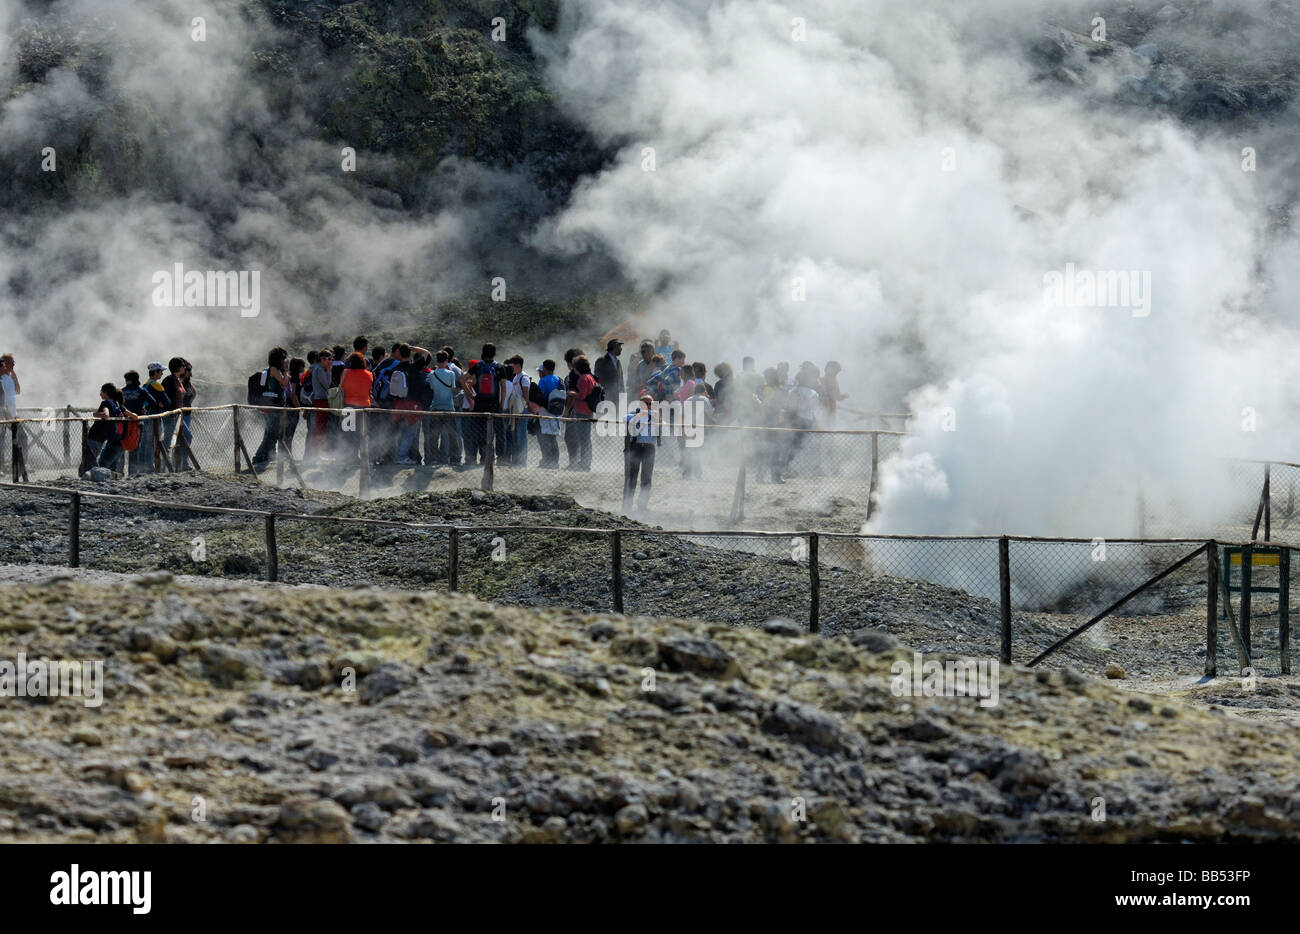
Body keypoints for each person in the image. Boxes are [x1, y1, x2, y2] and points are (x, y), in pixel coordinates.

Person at [467, 343, 507, 464]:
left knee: (481, 432)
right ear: (494, 353)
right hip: (494, 405)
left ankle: (484, 457)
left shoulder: (477, 366)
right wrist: (502, 404)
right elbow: (504, 388)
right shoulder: (500, 367)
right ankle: (501, 458)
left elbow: (462, 380)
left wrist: (471, 394)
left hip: (479, 405)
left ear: (483, 353)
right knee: (499, 432)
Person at [251, 348, 288, 465]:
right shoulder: (274, 369)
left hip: (272, 404)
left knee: (271, 431)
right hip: (271, 406)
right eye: (284, 358)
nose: (285, 360)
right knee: (271, 432)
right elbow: (284, 383)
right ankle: (259, 456)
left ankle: (268, 455)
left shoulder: (274, 370)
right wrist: (286, 370)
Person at [623, 394, 657, 514]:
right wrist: (639, 416)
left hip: (649, 449)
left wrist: (655, 417)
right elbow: (625, 419)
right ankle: (627, 506)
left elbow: (664, 427)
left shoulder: (654, 417)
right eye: (645, 403)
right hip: (635, 448)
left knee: (646, 479)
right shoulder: (632, 415)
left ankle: (642, 506)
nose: (648, 406)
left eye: (650, 404)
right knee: (631, 477)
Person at [426, 351, 460, 466]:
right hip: (449, 407)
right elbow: (453, 389)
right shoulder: (451, 374)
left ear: (437, 361)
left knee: (434, 435)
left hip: (436, 407)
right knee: (452, 434)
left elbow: (431, 388)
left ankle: (434, 458)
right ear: (447, 361)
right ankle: (455, 459)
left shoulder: (431, 375)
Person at [340, 351, 373, 464]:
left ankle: (348, 456)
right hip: (364, 407)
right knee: (362, 433)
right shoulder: (369, 374)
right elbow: (369, 391)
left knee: (348, 432)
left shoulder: (345, 373)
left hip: (348, 406)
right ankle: (361, 456)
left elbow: (343, 388)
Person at [566, 354, 597, 470]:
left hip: (583, 412)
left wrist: (572, 394)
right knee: (585, 439)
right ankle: (585, 462)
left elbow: (582, 395)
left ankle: (585, 463)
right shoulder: (589, 377)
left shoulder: (583, 378)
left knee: (584, 439)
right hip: (587, 411)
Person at [89, 382, 129, 473]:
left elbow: (106, 415)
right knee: (96, 460)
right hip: (104, 437)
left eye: (101, 391)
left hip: (95, 436)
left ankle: (85, 478)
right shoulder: (117, 405)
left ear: (106, 392)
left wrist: (95, 414)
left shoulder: (106, 403)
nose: (100, 393)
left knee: (90, 460)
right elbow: (134, 416)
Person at [120, 370, 152, 475]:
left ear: (128, 380)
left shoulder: (122, 391)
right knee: (134, 448)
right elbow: (153, 402)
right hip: (137, 423)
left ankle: (119, 473)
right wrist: (144, 408)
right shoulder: (141, 391)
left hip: (123, 423)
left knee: (121, 447)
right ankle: (132, 473)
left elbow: (117, 406)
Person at [504, 354, 531, 467]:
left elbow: (525, 397)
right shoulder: (516, 377)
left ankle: (522, 461)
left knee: (521, 436)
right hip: (515, 410)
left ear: (518, 365)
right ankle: (517, 460)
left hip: (521, 410)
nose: (511, 368)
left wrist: (520, 412)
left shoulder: (524, 378)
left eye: (512, 365)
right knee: (515, 436)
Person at [536, 360, 564, 468]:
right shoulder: (559, 380)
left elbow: (541, 396)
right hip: (557, 412)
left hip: (546, 411)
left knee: (545, 437)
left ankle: (547, 461)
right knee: (553, 438)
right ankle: (555, 462)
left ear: (545, 369)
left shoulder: (543, 381)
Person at [561, 348, 585, 468]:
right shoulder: (586, 375)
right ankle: (581, 462)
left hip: (574, 411)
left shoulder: (573, 376)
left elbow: (571, 395)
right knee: (582, 437)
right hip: (584, 411)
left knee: (570, 437)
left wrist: (565, 412)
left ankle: (574, 462)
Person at [309, 349, 333, 459]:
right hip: (321, 400)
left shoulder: (317, 368)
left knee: (321, 426)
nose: (329, 361)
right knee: (320, 426)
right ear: (321, 359)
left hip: (320, 399)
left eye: (331, 359)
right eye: (328, 359)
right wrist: (329, 371)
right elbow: (327, 385)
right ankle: (316, 453)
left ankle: (317, 452)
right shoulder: (319, 370)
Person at [0, 354, 20, 475]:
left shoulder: (10, 378)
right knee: (2, 440)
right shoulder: (1, 379)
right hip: (4, 413)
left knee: (20, 438)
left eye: (14, 363)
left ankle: (19, 464)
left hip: (13, 413)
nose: (13, 365)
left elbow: (18, 391)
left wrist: (14, 375)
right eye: (11, 363)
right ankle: (3, 466)